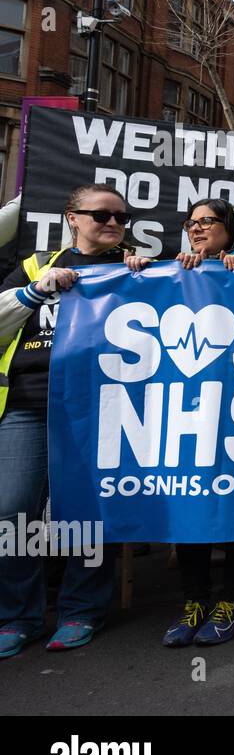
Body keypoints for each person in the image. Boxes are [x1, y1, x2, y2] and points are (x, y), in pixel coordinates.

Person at [124, 199, 234, 644]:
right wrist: (139, 268)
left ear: (232, 227)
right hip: (192, 409)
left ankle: (232, 600)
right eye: (191, 223)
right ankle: (194, 599)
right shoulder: (177, 272)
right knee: (193, 499)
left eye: (208, 222)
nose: (197, 229)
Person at [0, 184, 130, 657]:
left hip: (103, 407)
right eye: (101, 215)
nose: (113, 223)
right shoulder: (35, 266)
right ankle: (17, 617)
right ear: (72, 217)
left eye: (120, 216)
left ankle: (81, 610)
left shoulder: (137, 270)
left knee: (89, 511)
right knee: (11, 511)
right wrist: (34, 293)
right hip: (29, 404)